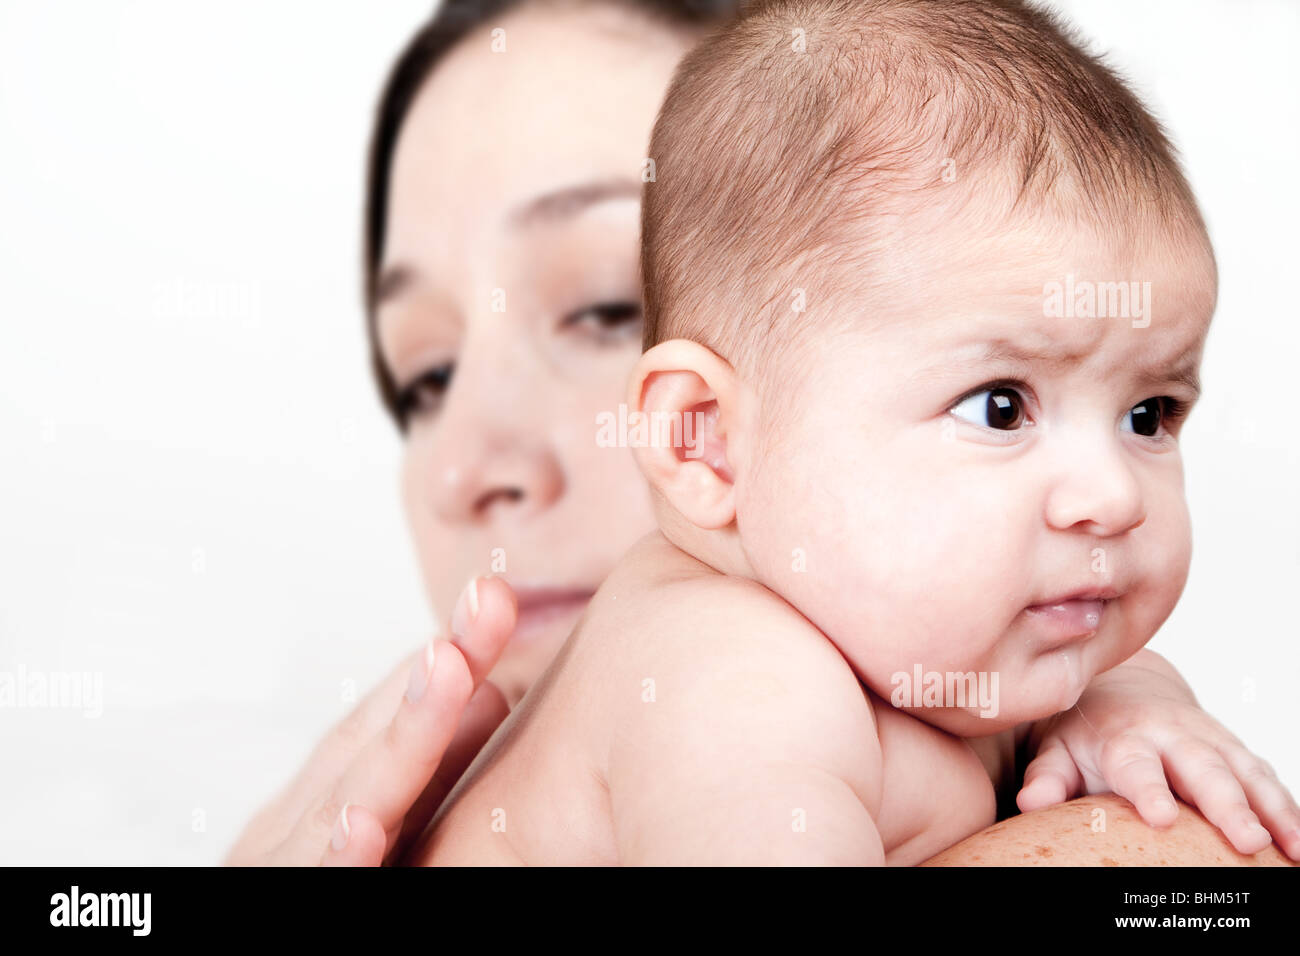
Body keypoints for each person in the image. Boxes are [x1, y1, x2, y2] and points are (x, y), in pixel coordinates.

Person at [224, 0, 1297, 866]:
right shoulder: (732, 678)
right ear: (704, 441)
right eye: (1001, 406)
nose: (1112, 495)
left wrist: (1132, 706)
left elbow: (1069, 678)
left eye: (1150, 414)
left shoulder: (929, 632)